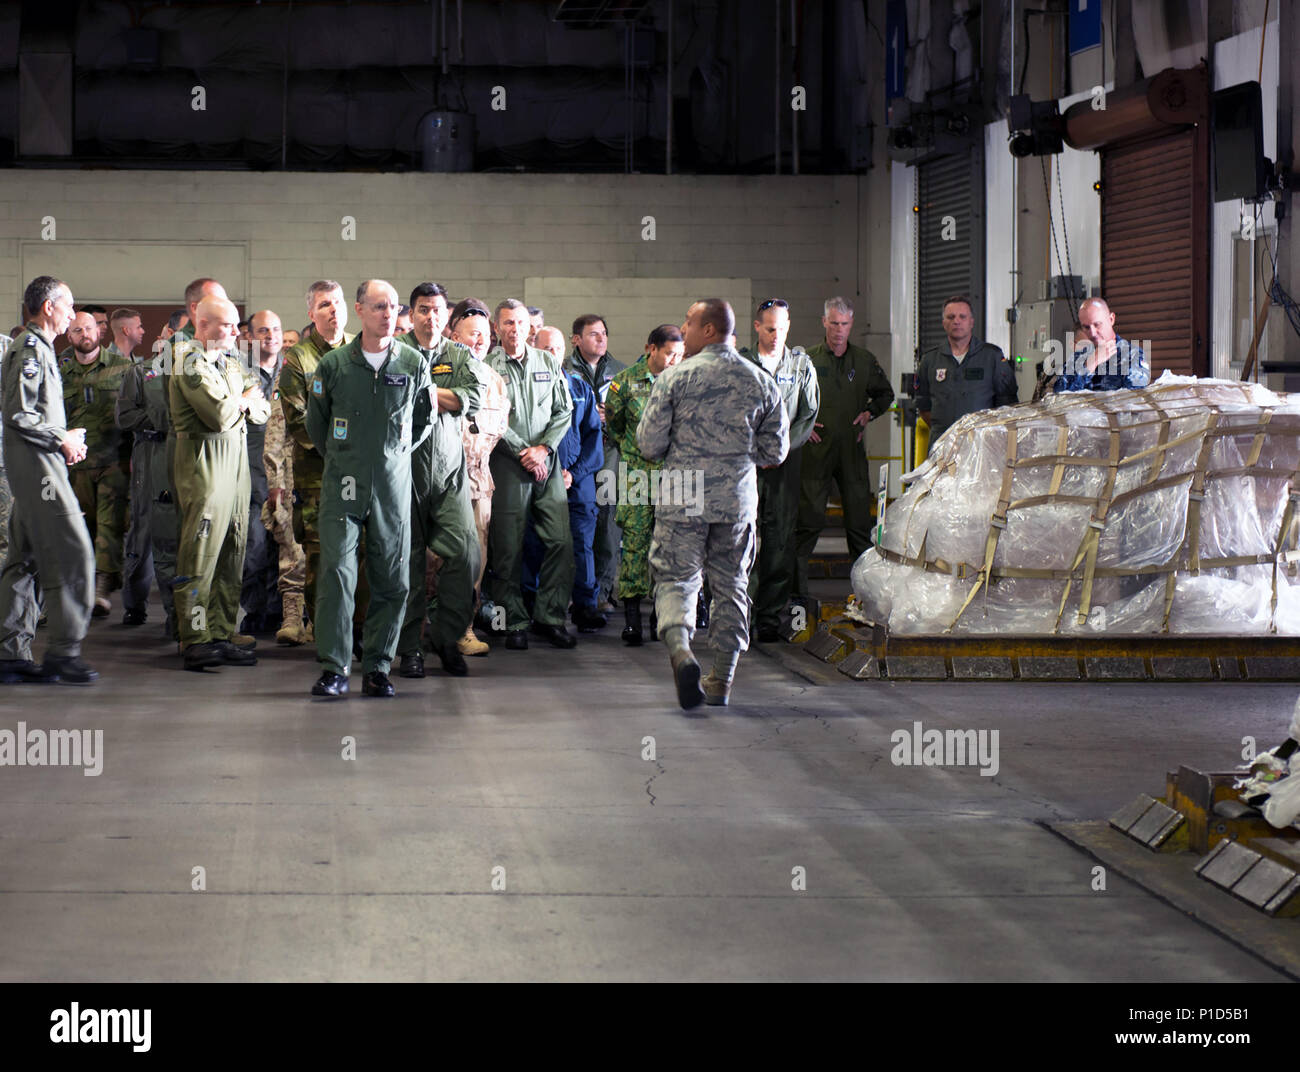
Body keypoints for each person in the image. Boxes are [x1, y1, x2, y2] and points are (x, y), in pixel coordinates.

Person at [638, 299, 788, 709]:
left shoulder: (674, 378)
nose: (682, 329)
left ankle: (682, 652)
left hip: (682, 495)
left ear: (708, 329)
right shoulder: (760, 381)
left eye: (688, 322)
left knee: (675, 578)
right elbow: (775, 450)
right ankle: (721, 679)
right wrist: (736, 456)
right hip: (735, 500)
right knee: (732, 586)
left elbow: (648, 445)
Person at [306, 280, 433, 699]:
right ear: (359, 310)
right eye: (379, 306)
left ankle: (378, 666)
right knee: (337, 575)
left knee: (393, 577)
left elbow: (422, 420)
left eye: (393, 307)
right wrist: (348, 458)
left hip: (393, 487)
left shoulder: (413, 363)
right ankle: (335, 667)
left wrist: (391, 456)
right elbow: (316, 425)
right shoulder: (335, 365)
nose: (387, 314)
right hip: (343, 484)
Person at [0, 277, 98, 684]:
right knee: (74, 549)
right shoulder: (31, 349)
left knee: (22, 558)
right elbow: (18, 413)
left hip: (38, 461)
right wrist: (63, 438)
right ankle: (63, 652)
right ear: (48, 308)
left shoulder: (41, 349)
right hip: (37, 463)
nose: (73, 315)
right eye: (69, 306)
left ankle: (10, 654)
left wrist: (64, 439)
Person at [170, 295, 270, 671]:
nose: (234, 331)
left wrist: (243, 402)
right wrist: (241, 402)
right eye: (225, 325)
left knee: (232, 552)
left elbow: (262, 408)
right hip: (205, 466)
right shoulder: (189, 363)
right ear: (203, 324)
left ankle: (220, 631)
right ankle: (194, 637)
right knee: (200, 555)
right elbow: (218, 415)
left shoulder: (228, 364)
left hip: (237, 467)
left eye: (235, 325)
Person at [395, 282, 482, 679]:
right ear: (412, 314)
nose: (431, 317)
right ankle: (409, 648)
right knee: (406, 564)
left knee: (465, 555)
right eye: (423, 309)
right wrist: (447, 396)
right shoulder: (396, 353)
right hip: (403, 474)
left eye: (437, 310)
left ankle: (446, 637)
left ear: (448, 316)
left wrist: (427, 392)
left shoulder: (459, 354)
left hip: (448, 475)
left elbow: (472, 398)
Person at [485, 299, 576, 650]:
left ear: (530, 327)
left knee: (560, 542)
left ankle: (550, 618)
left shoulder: (546, 361)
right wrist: (525, 451)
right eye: (507, 323)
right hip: (508, 465)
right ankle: (512, 622)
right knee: (507, 549)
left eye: (520, 323)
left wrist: (545, 449)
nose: (514, 329)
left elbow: (563, 410)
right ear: (497, 328)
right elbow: (489, 414)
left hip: (547, 465)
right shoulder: (488, 366)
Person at [794, 296, 893, 598]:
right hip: (816, 453)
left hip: (851, 452)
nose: (839, 330)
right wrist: (802, 425)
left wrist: (869, 413)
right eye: (834, 323)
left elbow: (884, 395)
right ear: (824, 322)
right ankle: (797, 594)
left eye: (845, 324)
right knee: (807, 524)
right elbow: (787, 399)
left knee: (859, 526)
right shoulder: (807, 360)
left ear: (852, 324)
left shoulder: (863, 361)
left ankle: (865, 595)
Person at [739, 299, 820, 642]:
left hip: (785, 465)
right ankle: (739, 612)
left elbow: (808, 413)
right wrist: (752, 452)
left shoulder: (801, 365)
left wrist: (782, 450)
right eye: (770, 329)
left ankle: (769, 617)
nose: (776, 336)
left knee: (780, 539)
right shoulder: (741, 364)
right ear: (757, 327)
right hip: (744, 464)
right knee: (740, 538)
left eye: (783, 329)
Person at [278, 280, 354, 625]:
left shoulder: (361, 349)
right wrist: (341, 448)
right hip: (318, 473)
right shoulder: (298, 357)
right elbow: (297, 418)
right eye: (324, 304)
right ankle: (320, 625)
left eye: (338, 302)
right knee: (320, 551)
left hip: (361, 471)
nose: (333, 309)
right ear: (311, 313)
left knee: (361, 549)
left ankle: (355, 623)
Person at [606, 324, 685, 645]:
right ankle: (632, 620)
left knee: (668, 549)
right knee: (636, 548)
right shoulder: (624, 383)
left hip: (674, 478)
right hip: (637, 476)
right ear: (651, 348)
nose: (674, 360)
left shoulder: (683, 382)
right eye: (669, 353)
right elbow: (616, 426)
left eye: (679, 355)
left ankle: (660, 617)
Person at [522, 349, 604, 631]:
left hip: (578, 483)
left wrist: (574, 473)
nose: (551, 354)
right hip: (540, 478)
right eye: (545, 348)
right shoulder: (532, 388)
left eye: (556, 349)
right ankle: (532, 607)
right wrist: (553, 474)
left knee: (582, 544)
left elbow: (594, 438)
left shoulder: (580, 388)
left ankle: (586, 606)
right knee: (535, 544)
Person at [60, 311, 133, 618]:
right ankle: (81, 585)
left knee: (110, 525)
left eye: (88, 328)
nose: (84, 334)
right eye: (77, 330)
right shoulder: (60, 371)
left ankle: (102, 586)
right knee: (80, 527)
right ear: (69, 336)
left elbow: (134, 414)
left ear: (100, 332)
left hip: (113, 460)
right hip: (74, 465)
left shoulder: (123, 368)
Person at [450, 300, 505, 656]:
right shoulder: (439, 371)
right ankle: (422, 629)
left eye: (485, 335)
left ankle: (463, 628)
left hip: (478, 483)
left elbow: (499, 429)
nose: (480, 341)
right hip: (441, 482)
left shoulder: (495, 380)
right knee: (433, 559)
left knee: (475, 560)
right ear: (454, 337)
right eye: (473, 334)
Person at [566, 314, 625, 611]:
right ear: (576, 339)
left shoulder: (621, 373)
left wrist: (610, 416)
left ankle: (602, 593)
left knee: (608, 524)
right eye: (593, 334)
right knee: (574, 526)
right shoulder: (564, 370)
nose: (601, 338)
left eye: (603, 333)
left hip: (610, 453)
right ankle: (571, 591)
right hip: (576, 456)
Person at [914, 294, 1017, 445]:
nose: (956, 321)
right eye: (951, 317)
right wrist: (949, 432)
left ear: (971, 322)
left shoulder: (991, 356)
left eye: (962, 317)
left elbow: (1007, 403)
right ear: (944, 323)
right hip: (942, 444)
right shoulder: (930, 360)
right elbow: (923, 406)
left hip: (982, 445)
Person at [239, 310, 286, 635]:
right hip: (251, 472)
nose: (270, 335)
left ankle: (281, 611)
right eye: (263, 330)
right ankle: (255, 610)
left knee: (285, 547)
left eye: (276, 329)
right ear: (251, 337)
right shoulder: (239, 371)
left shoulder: (294, 370)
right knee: (252, 549)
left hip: (288, 473)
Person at [1054, 297, 1150, 392]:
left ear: (1111, 319)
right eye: (1086, 327)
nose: (1092, 333)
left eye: (1097, 324)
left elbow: (1134, 398)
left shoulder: (1132, 355)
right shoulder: (1078, 357)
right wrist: (1089, 365)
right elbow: (1059, 395)